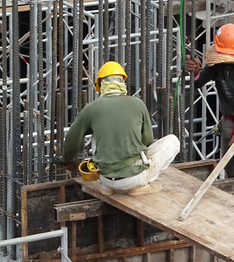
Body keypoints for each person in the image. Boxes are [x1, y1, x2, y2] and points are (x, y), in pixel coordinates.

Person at [59, 61, 179, 196]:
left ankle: (106, 188)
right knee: (173, 141)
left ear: (100, 85)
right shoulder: (137, 104)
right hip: (134, 177)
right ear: (123, 83)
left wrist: (66, 160)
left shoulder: (91, 108)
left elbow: (72, 139)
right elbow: (148, 140)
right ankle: (139, 187)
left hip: (104, 177)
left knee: (96, 132)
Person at [184, 24, 234, 204]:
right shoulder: (218, 64)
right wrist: (195, 71)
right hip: (229, 118)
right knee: (230, 166)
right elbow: (199, 82)